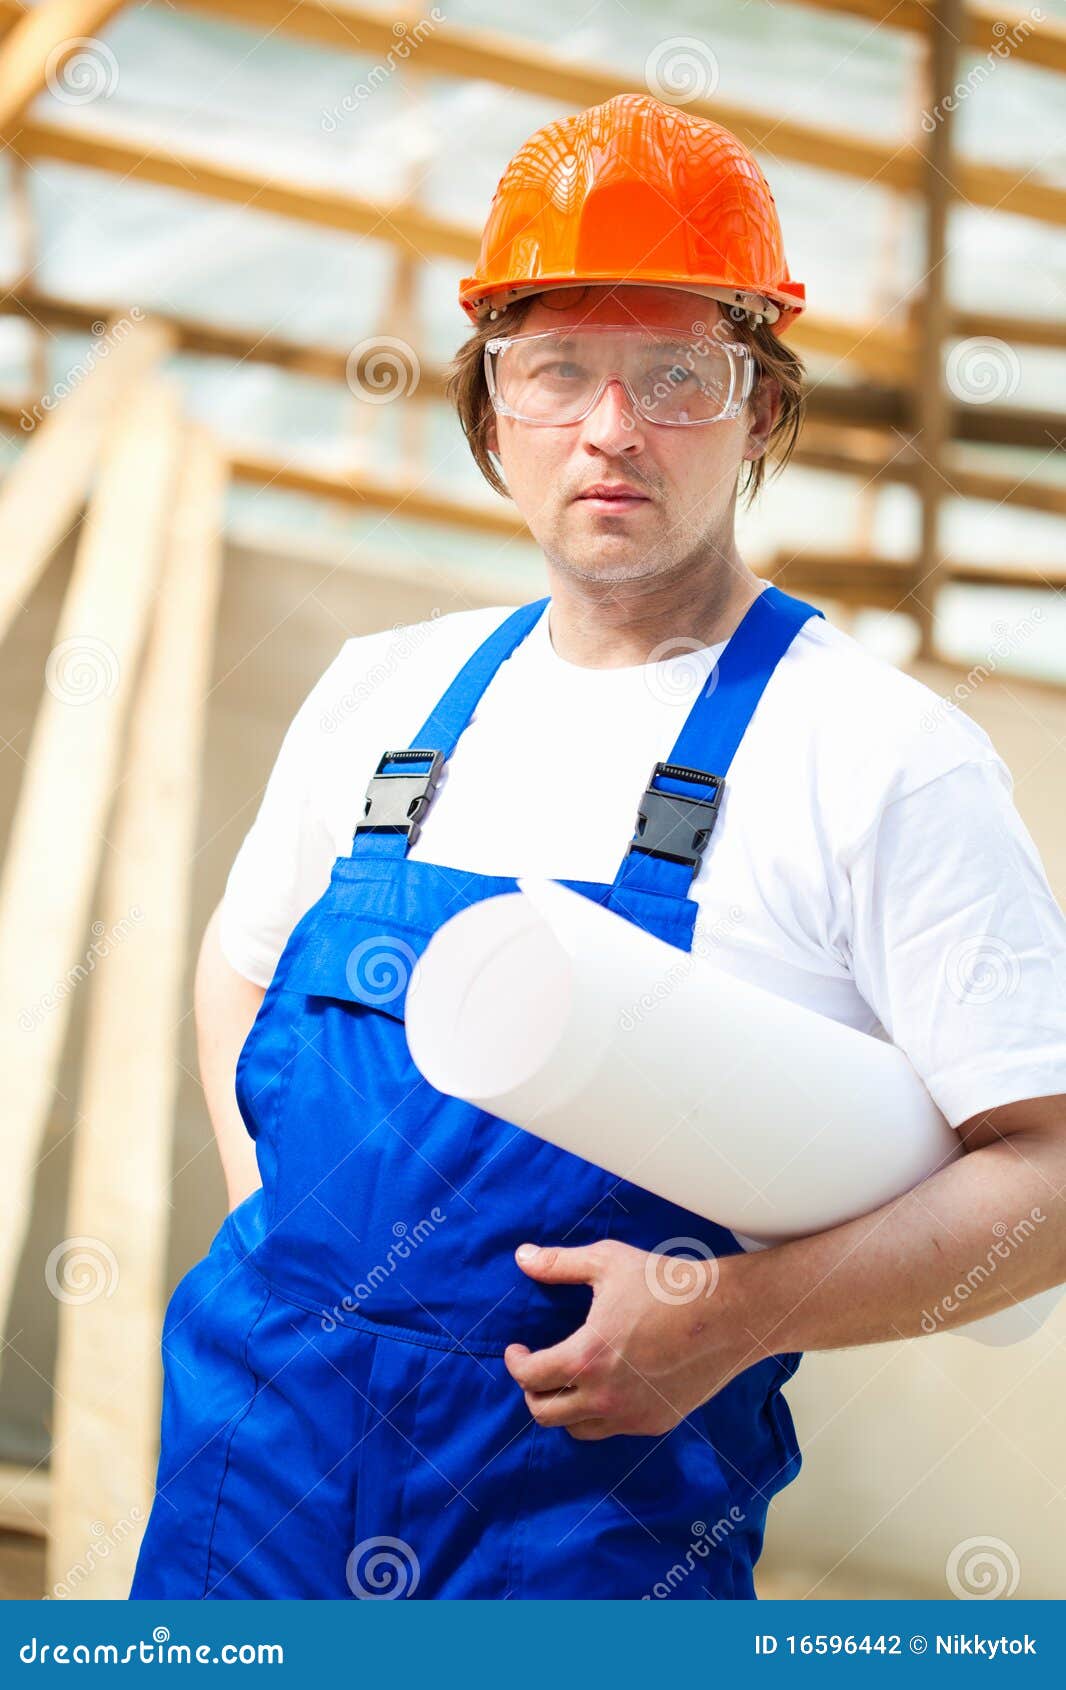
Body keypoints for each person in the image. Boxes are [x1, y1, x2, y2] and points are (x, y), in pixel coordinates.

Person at [129, 93, 1066, 1602]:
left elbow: (1049, 1168)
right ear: (490, 406)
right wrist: (277, 1222)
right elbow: (234, 971)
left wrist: (738, 1312)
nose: (611, 428)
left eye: (675, 375)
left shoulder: (876, 758)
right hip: (254, 1489)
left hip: (578, 1550)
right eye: (556, 369)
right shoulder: (382, 694)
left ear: (760, 409)